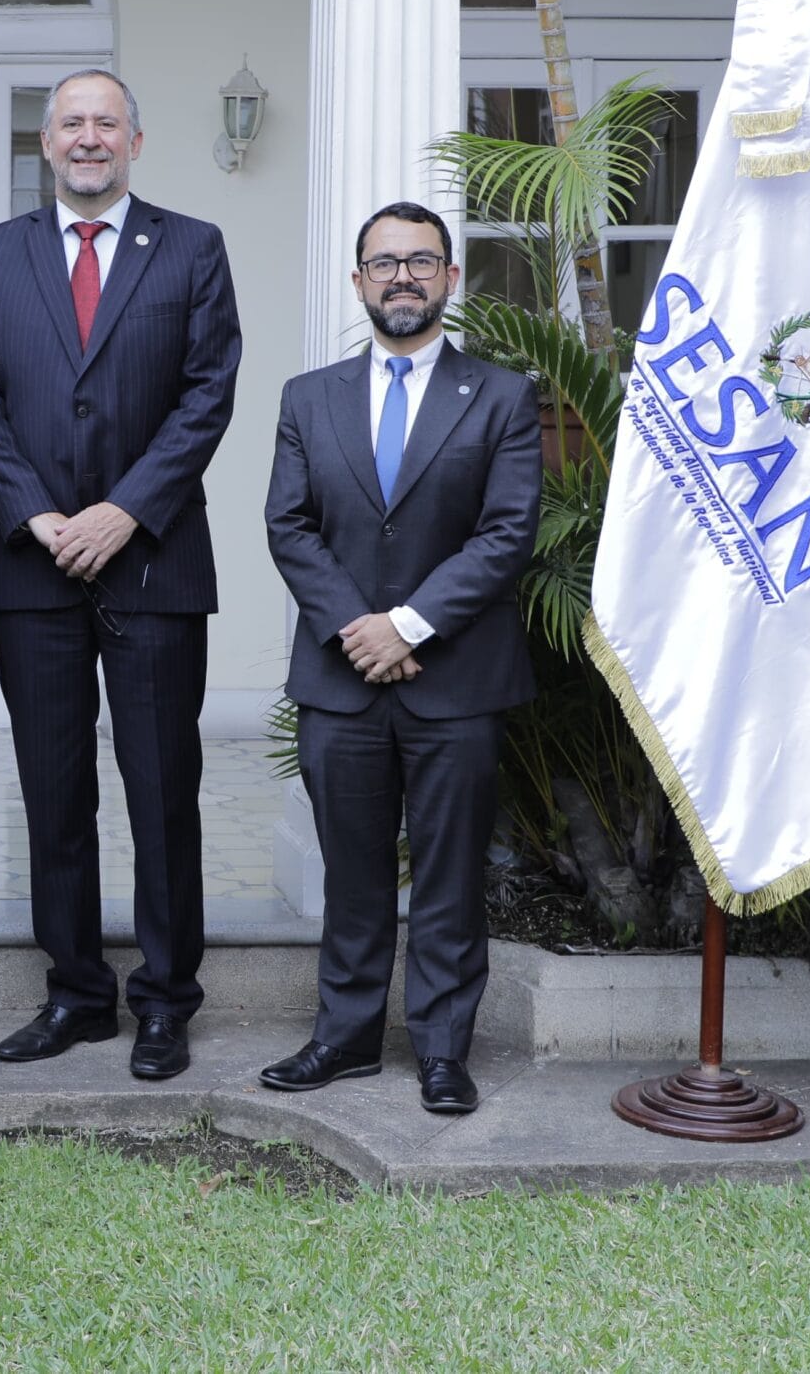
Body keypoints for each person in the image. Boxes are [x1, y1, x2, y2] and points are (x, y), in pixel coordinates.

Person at [0, 69, 241, 1082]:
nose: (87, 138)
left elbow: (207, 396)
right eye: (70, 123)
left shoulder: (192, 247)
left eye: (104, 123)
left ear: (135, 140)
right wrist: (36, 511)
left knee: (163, 788)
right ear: (44, 143)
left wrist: (123, 510)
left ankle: (165, 1000)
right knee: (54, 789)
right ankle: (75, 990)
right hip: (33, 569)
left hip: (154, 558)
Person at [259, 201, 540, 1111]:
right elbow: (290, 526)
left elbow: (506, 534)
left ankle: (443, 1052)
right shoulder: (309, 397)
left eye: (423, 261)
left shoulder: (500, 395)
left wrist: (409, 625)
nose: (403, 277)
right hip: (341, 682)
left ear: (452, 280)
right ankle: (342, 1040)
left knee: (453, 874)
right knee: (352, 869)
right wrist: (360, 629)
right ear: (359, 283)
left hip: (455, 682)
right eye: (385, 263)